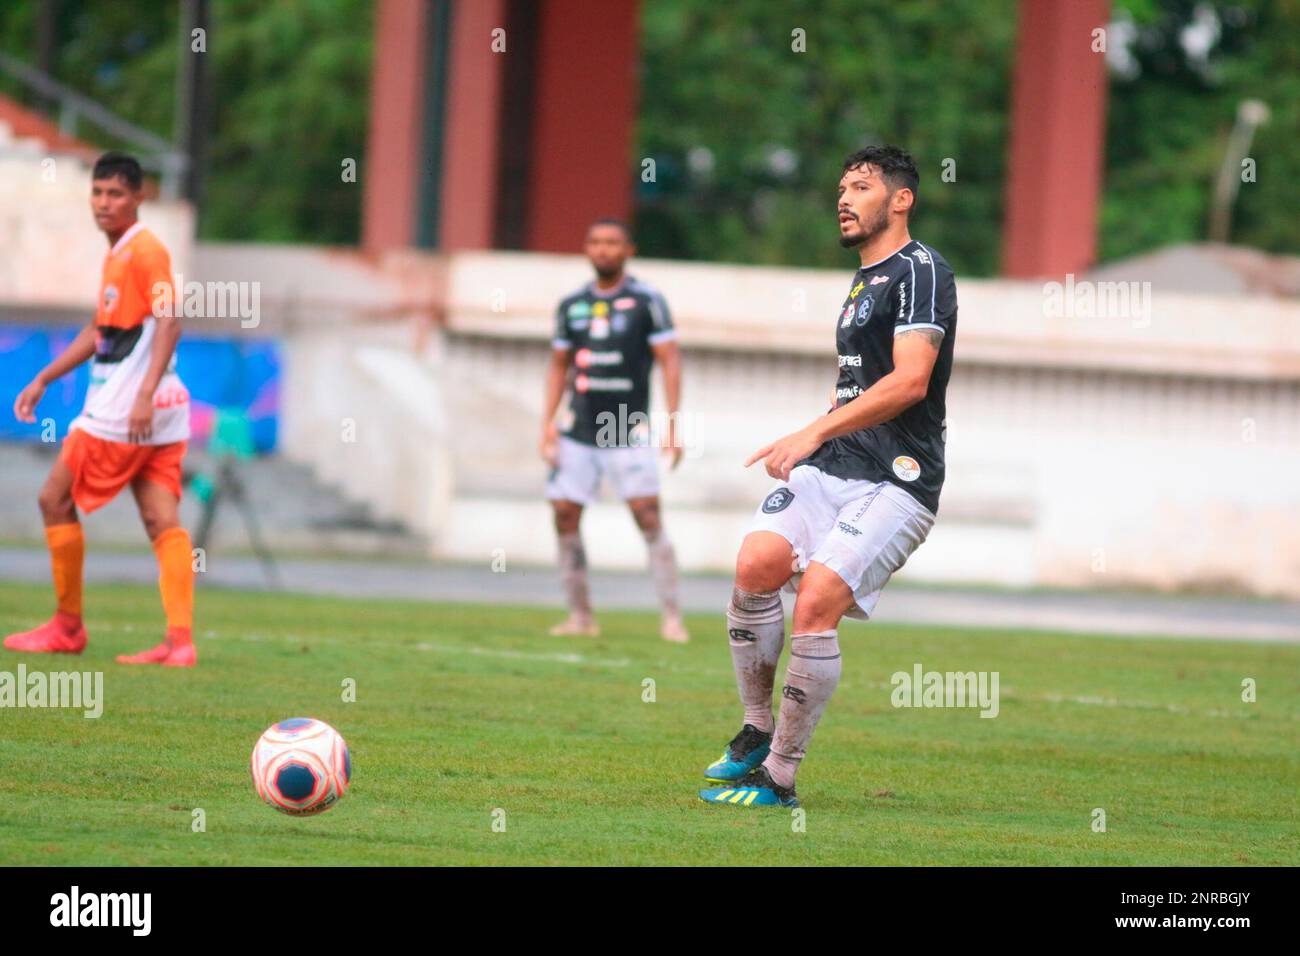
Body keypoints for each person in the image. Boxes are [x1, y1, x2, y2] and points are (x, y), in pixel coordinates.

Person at [700, 145, 957, 807]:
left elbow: (910, 381)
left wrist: (812, 431)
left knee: (815, 602)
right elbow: (855, 386)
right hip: (837, 463)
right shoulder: (863, 282)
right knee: (756, 563)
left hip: (898, 478)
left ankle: (779, 777)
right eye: (841, 188)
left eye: (862, 187)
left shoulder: (921, 269)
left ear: (901, 199)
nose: (844, 198)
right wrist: (815, 432)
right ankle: (756, 730)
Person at [4, 151, 196, 667]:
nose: (104, 203)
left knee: (53, 498)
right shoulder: (119, 253)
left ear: (138, 197)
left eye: (116, 193)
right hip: (165, 407)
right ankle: (180, 642)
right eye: (98, 192)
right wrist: (45, 377)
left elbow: (170, 319)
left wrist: (142, 394)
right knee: (161, 517)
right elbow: (100, 329)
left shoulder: (145, 251)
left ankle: (67, 627)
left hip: (126, 406)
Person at [540, 218, 689, 643]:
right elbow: (558, 366)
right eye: (596, 242)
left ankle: (672, 617)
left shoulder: (647, 301)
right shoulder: (572, 305)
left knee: (647, 515)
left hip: (625, 424)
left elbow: (669, 360)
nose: (603, 249)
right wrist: (547, 424)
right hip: (578, 427)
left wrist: (672, 424)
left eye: (612, 242)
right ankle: (580, 616)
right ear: (587, 249)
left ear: (628, 250)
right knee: (564, 514)